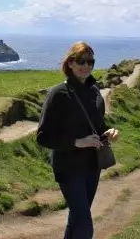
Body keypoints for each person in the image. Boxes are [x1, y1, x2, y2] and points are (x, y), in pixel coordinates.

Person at [36, 41, 119, 239]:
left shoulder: (94, 92)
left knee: (77, 216)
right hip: (68, 167)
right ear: (70, 63)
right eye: (80, 61)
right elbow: (43, 137)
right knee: (83, 220)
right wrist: (77, 142)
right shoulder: (58, 94)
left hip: (92, 165)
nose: (86, 66)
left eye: (90, 61)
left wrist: (109, 132)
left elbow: (98, 126)